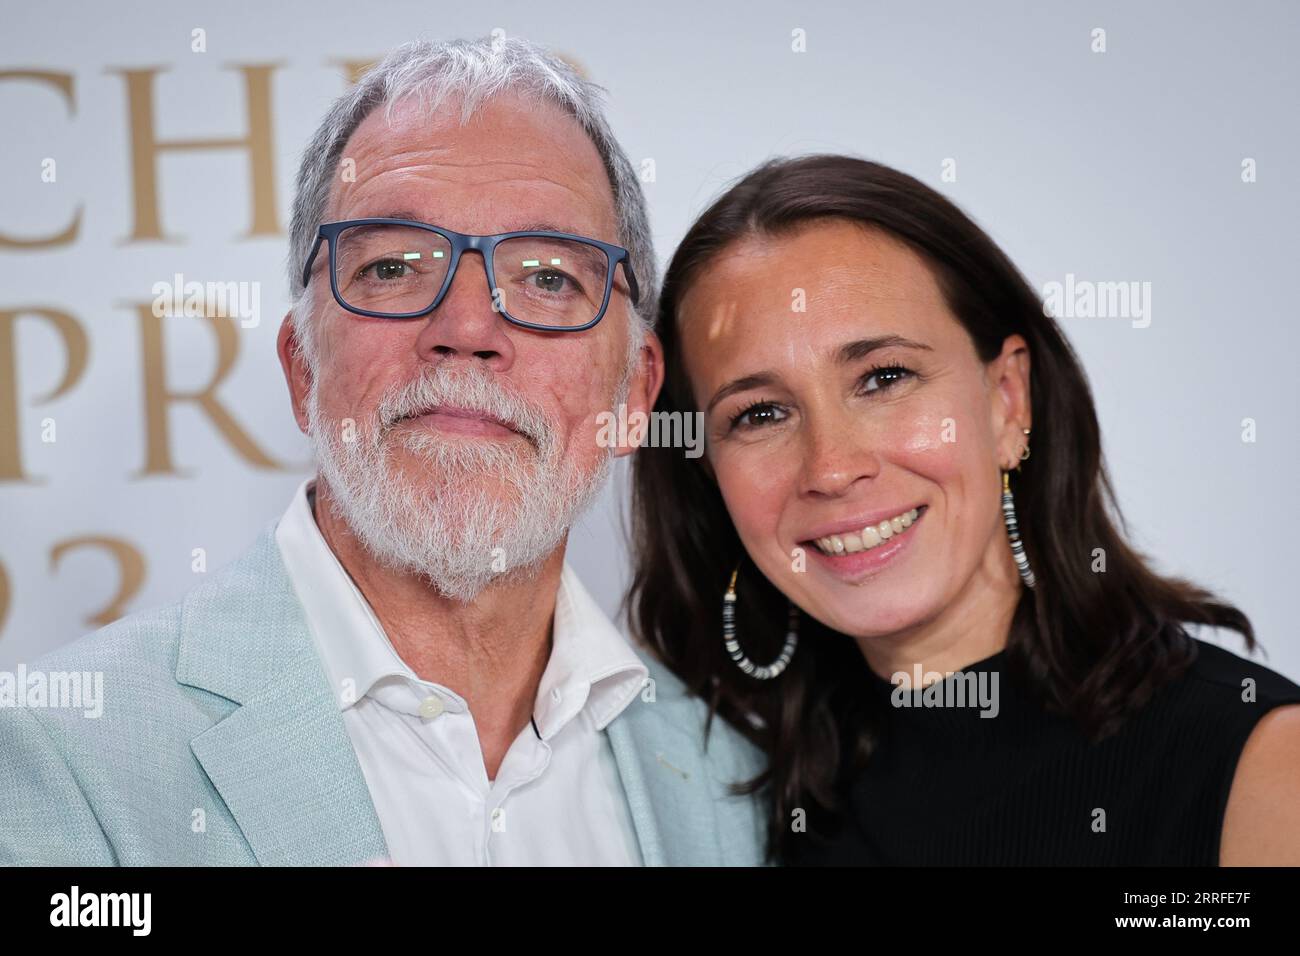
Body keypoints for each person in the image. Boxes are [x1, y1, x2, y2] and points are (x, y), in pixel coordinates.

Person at [0, 36, 766, 867]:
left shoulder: (722, 773)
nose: (468, 330)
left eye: (549, 278)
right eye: (393, 267)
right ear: (303, 371)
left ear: (633, 396)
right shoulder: (63, 757)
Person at [629, 153, 1300, 865]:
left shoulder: (1258, 768)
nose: (830, 467)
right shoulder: (733, 813)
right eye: (760, 414)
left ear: (1007, 401)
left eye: (884, 378)